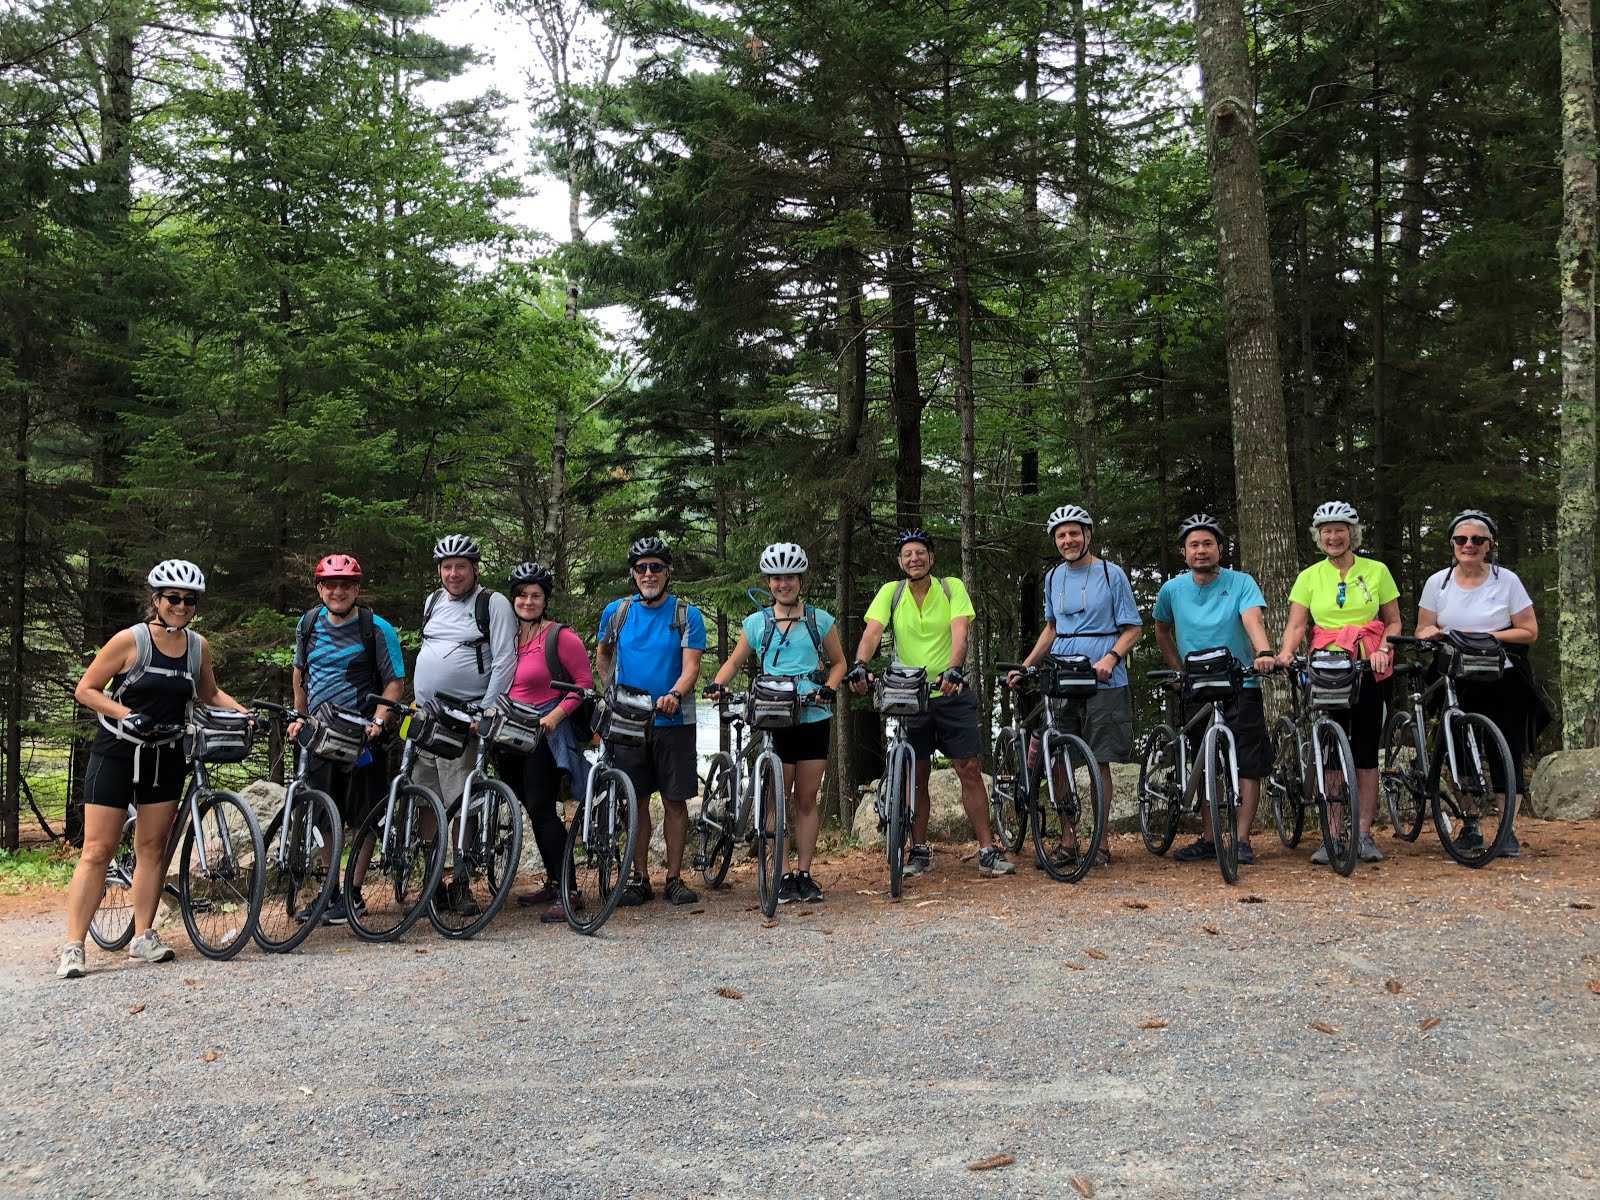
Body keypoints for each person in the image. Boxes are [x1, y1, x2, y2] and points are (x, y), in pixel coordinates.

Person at [58, 560, 249, 978]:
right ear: (157, 600)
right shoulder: (130, 641)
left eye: (190, 600)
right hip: (118, 751)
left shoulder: (198, 646)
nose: (182, 606)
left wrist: (243, 714)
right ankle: (73, 945)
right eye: (174, 598)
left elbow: (210, 693)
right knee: (97, 849)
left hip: (165, 755)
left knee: (151, 849)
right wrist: (125, 713)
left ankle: (143, 937)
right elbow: (86, 690)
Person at [849, 529, 1016, 879]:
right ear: (900, 561)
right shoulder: (890, 593)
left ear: (932, 557)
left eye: (920, 552)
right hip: (910, 696)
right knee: (917, 774)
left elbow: (960, 632)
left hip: (951, 693)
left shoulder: (950, 587)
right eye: (907, 554)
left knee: (968, 769)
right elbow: (873, 632)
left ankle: (986, 849)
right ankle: (920, 850)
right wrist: (861, 665)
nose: (914, 559)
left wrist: (955, 668)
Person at [706, 543, 847, 903]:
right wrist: (718, 684)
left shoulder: (820, 620)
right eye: (776, 578)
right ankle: (782, 874)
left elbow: (839, 663)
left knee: (806, 798)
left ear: (801, 580)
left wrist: (829, 689)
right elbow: (735, 662)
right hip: (774, 714)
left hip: (814, 715)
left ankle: (804, 873)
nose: (783, 584)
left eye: (789, 577)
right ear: (768, 583)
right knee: (776, 798)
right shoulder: (757, 624)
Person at [1008, 504, 1141, 866]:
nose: (1068, 540)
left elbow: (1133, 628)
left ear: (1088, 535)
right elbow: (1051, 628)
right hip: (1062, 673)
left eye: (1074, 533)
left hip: (1103, 676)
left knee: (1100, 760)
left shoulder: (1112, 575)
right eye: (1061, 535)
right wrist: (1026, 665)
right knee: (1057, 756)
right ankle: (1068, 839)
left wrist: (1111, 658)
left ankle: (1101, 841)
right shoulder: (1053, 578)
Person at [1274, 501, 1401, 865]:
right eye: (1326, 531)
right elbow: (1297, 625)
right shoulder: (1309, 576)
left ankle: (1362, 834)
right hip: (1327, 667)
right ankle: (1331, 834)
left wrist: (1383, 648)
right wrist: (1286, 653)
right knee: (1330, 753)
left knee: (1364, 752)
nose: (1333, 536)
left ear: (1352, 533)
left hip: (1365, 666)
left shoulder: (1376, 571)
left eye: (1340, 529)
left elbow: (1393, 621)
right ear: (1318, 537)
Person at [1415, 509, 1544, 858]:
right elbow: (1422, 629)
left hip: (1502, 674)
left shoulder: (1507, 581)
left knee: (1506, 750)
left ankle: (1507, 829)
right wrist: (1434, 633)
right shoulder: (1437, 582)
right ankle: (1470, 824)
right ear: (1452, 544)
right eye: (1461, 539)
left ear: (1490, 545)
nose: (1468, 545)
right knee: (1457, 748)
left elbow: (1529, 631)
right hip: (1455, 675)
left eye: (1477, 540)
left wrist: (1482, 636)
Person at [1151, 515, 1278, 866]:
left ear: (1220, 548)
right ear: (1184, 552)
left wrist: (1263, 652)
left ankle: (1240, 839)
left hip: (1241, 683)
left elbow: (1253, 618)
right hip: (1198, 688)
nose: (1201, 550)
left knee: (1249, 764)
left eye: (1208, 544)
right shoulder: (1172, 590)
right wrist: (1178, 670)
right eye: (1194, 545)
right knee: (1206, 764)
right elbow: (1161, 629)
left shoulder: (1241, 582)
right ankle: (1209, 838)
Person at [287, 553, 406, 923]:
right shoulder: (308, 625)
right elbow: (300, 673)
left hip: (362, 736)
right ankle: (330, 892)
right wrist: (300, 717)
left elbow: (394, 682)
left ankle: (352, 893)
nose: (338, 591)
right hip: (320, 735)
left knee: (364, 816)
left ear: (356, 589)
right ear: (320, 588)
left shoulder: (377, 628)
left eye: (346, 585)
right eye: (330, 585)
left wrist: (380, 719)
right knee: (324, 814)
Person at [596, 536, 709, 907]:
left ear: (667, 571)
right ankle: (639, 876)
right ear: (633, 573)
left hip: (673, 722)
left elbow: (692, 666)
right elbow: (604, 654)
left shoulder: (685, 614)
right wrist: (611, 692)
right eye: (642, 568)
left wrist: (675, 694)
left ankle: (674, 877)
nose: (649, 574)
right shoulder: (617, 612)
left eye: (656, 567)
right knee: (637, 801)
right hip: (629, 724)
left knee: (675, 802)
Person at [415, 534, 517, 912]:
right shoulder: (433, 601)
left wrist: (486, 711)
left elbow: (505, 659)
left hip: (465, 719)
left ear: (475, 569)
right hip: (427, 717)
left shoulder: (493, 604)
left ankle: (461, 881)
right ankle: (433, 879)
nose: (453, 573)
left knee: (461, 801)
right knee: (426, 797)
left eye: (460, 566)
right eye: (446, 567)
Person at [496, 561, 594, 922]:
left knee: (541, 807)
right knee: (534, 810)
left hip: (545, 734)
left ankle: (569, 890)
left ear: (545, 599)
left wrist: (555, 716)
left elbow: (584, 687)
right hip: (510, 732)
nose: (527, 601)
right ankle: (554, 881)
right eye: (521, 595)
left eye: (535, 595)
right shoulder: (507, 638)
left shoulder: (560, 637)